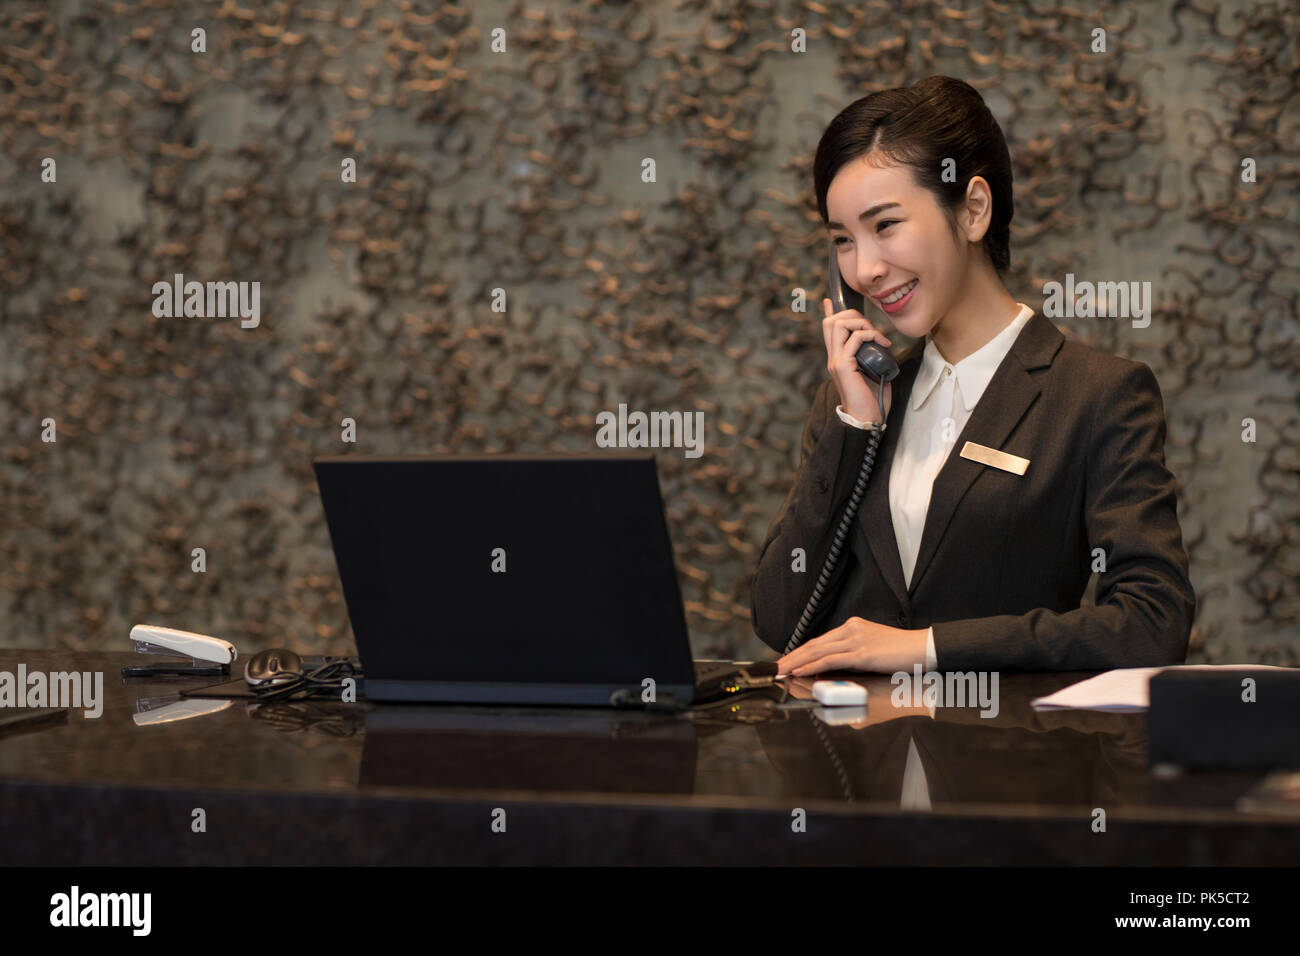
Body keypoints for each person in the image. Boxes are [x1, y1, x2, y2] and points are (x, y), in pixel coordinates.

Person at [750, 75, 1195, 676]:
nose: (865, 269)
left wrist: (929, 649)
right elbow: (779, 621)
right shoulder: (854, 399)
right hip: (857, 762)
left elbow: (1152, 624)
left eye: (885, 226)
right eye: (842, 240)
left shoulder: (1096, 395)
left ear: (973, 209)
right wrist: (854, 429)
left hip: (1007, 758)